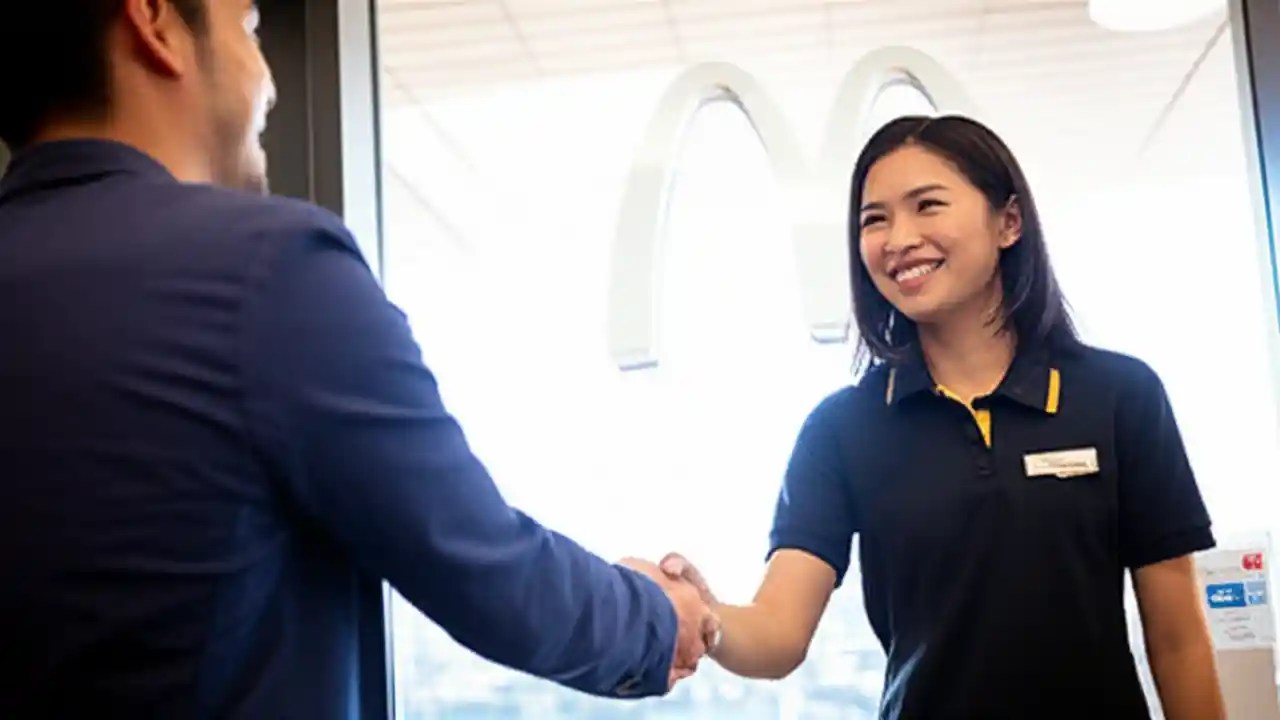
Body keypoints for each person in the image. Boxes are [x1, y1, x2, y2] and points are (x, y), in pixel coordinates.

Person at [0, 2, 716, 718]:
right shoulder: (265, 269)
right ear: (155, 22)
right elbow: (486, 568)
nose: (270, 83)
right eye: (248, 29)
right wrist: (658, 618)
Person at [660, 115, 1225, 719]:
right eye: (874, 219)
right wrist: (707, 617)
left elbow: (1177, 640)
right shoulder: (842, 430)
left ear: (1008, 222)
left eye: (926, 205)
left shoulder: (1120, 395)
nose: (897, 238)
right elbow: (778, 636)